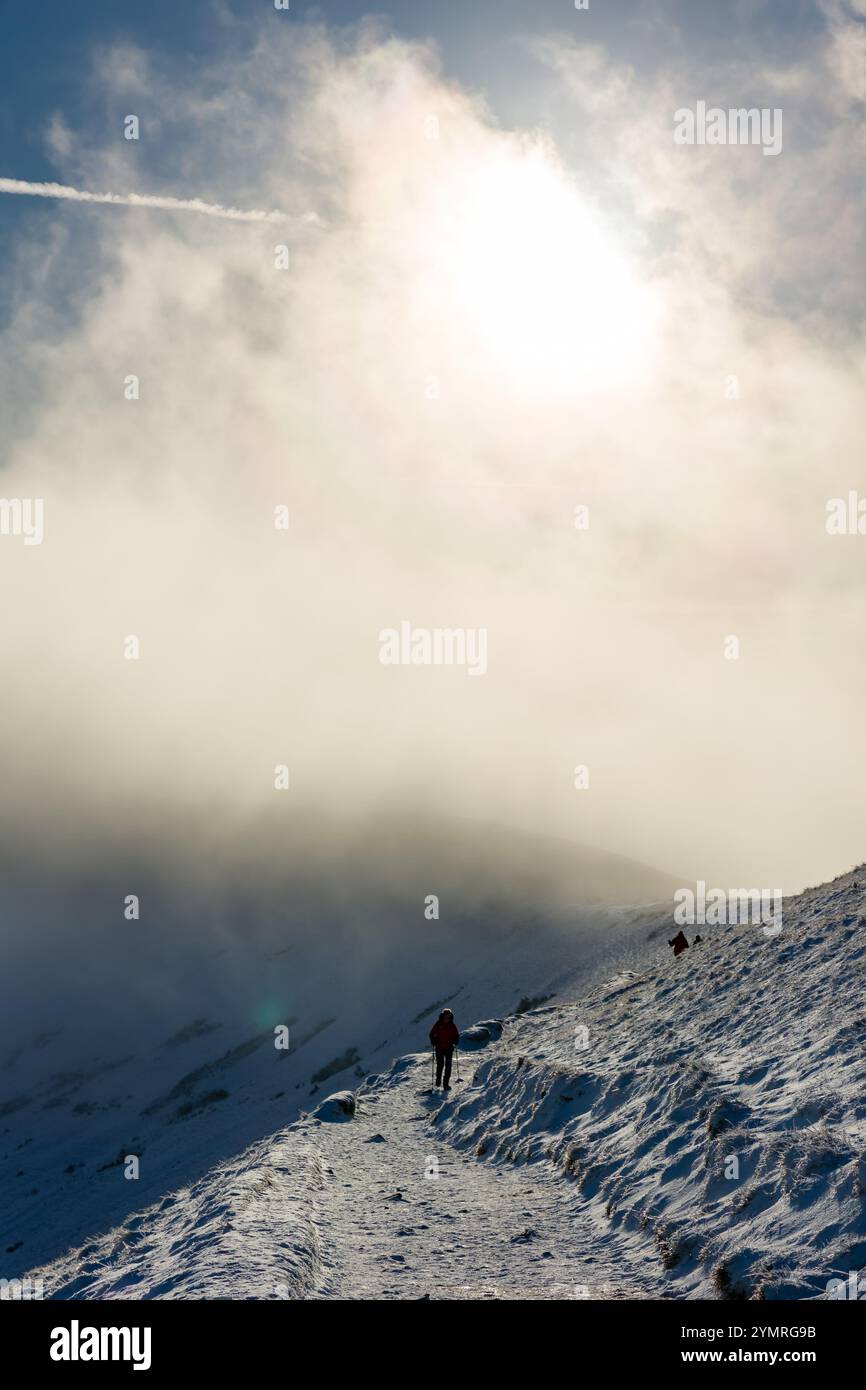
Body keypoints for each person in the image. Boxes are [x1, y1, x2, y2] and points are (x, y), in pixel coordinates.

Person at [429, 1008, 460, 1089]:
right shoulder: (440, 1024)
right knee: (441, 1065)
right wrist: (433, 1040)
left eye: (448, 1017)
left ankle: (445, 1084)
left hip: (448, 1047)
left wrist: (456, 1040)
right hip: (440, 1047)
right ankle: (438, 1081)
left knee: (447, 1066)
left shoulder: (451, 1025)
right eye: (446, 1017)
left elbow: (456, 1035)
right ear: (443, 1016)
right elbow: (432, 1034)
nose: (447, 1019)